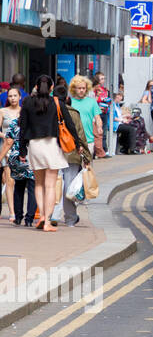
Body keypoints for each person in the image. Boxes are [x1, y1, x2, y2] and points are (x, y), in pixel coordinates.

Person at [19, 75, 69, 232]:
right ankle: (47, 220)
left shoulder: (27, 103)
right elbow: (70, 124)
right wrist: (80, 145)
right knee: (51, 185)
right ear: (52, 88)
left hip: (34, 146)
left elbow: (23, 128)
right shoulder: (57, 103)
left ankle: (40, 216)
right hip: (52, 145)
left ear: (36, 86)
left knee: (38, 184)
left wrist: (22, 150)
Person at [54, 80, 93, 226]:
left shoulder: (49, 111)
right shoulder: (73, 113)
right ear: (68, 98)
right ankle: (70, 219)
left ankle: (54, 216)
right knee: (69, 188)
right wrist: (87, 157)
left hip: (53, 154)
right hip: (72, 154)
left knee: (55, 185)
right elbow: (81, 136)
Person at [0, 115, 35, 226]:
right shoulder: (36, 121)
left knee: (19, 187)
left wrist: (0, 157)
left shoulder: (16, 122)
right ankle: (29, 219)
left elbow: (9, 141)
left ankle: (18, 217)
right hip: (33, 157)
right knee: (32, 188)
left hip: (17, 158)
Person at [0, 87, 20, 222]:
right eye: (10, 96)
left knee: (21, 181)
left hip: (21, 148)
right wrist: (7, 136)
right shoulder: (2, 111)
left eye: (15, 96)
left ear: (19, 97)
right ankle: (12, 211)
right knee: (9, 180)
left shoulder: (24, 111)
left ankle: (19, 210)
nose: (12, 98)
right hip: (6, 148)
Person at [93, 72, 110, 158]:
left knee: (103, 132)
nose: (103, 80)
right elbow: (94, 101)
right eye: (101, 78)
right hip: (97, 113)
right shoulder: (94, 90)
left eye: (104, 79)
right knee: (97, 132)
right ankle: (98, 152)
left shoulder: (104, 89)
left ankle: (104, 150)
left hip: (104, 112)